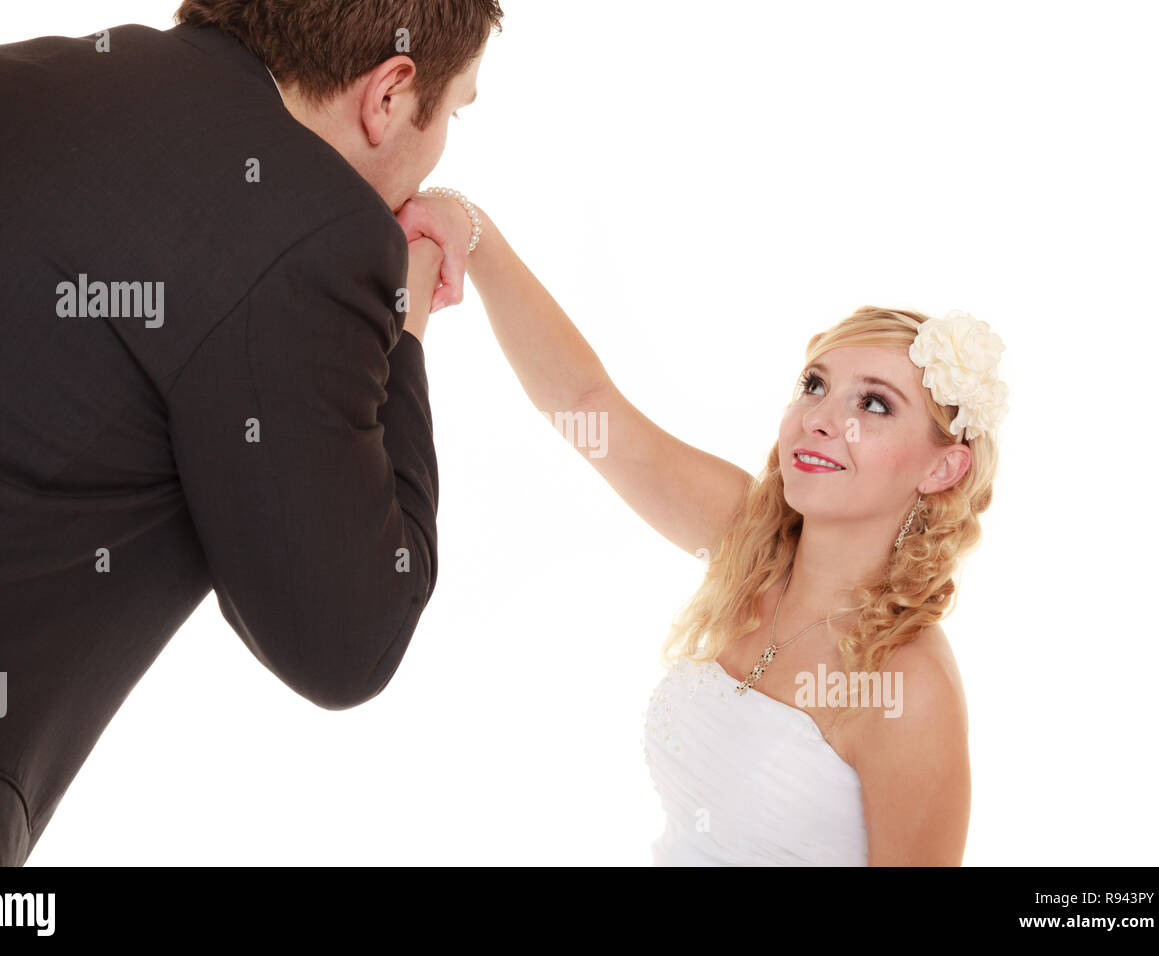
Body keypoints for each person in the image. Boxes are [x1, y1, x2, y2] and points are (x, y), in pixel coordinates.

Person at [0, 0, 502, 865]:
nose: (444, 139)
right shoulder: (309, 234)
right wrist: (404, 328)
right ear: (389, 93)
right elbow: (347, 641)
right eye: (455, 110)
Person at [400, 193, 1008, 866]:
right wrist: (473, 232)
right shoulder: (747, 540)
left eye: (873, 403)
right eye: (814, 385)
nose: (821, 418)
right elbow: (587, 409)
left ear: (944, 467)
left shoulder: (909, 685)